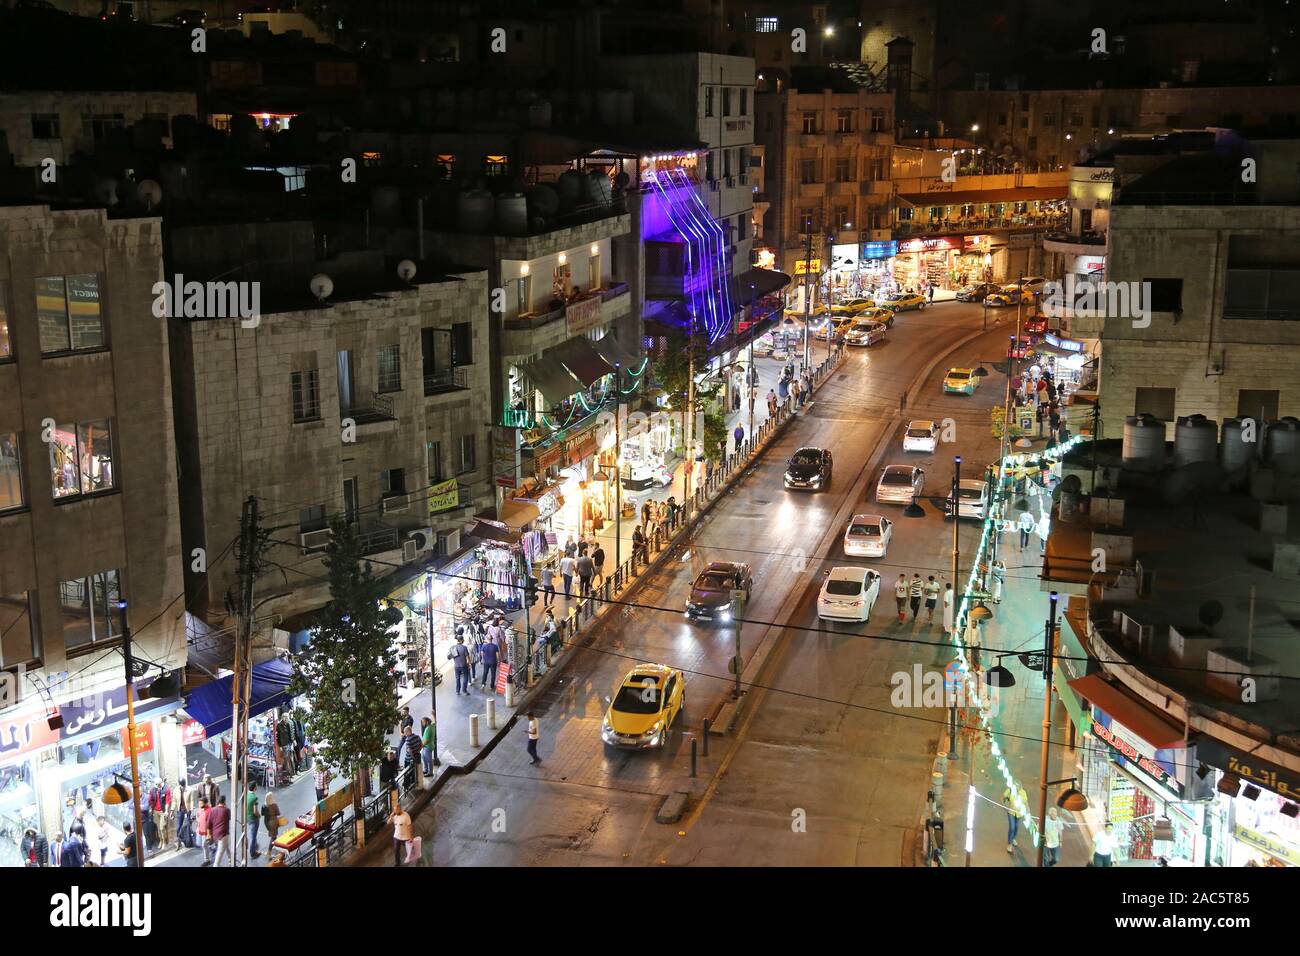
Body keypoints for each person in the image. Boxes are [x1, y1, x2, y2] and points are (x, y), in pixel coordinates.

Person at [1003, 784, 1028, 854]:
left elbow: (1026, 803)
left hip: (1019, 814)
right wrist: (1004, 805)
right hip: (1011, 812)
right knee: (1012, 827)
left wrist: (1028, 812)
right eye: (1016, 786)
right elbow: (1003, 798)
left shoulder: (1023, 792)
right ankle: (1009, 844)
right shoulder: (1009, 791)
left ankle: (1013, 838)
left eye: (1018, 787)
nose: (1017, 788)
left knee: (1016, 827)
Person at [245, 782, 261, 859]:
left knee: (252, 832)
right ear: (254, 788)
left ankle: (255, 845)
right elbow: (255, 811)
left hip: (247, 817)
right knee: (253, 836)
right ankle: (252, 852)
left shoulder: (246, 795)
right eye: (256, 786)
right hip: (253, 818)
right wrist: (259, 815)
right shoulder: (254, 797)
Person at [196, 798, 213, 866]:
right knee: (203, 844)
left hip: (208, 832)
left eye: (201, 803)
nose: (199, 805)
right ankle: (207, 859)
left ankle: (207, 859)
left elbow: (211, 823)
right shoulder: (200, 809)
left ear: (205, 803)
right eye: (199, 803)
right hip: (202, 831)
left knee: (204, 845)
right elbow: (199, 818)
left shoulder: (209, 811)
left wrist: (210, 833)